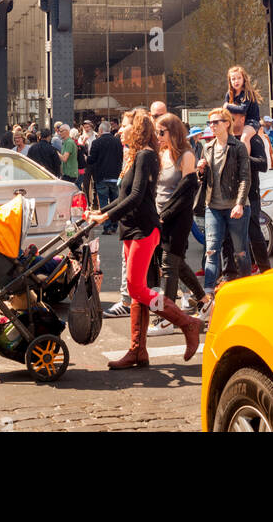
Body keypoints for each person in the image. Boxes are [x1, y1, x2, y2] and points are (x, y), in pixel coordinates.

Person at [88, 110, 201, 367]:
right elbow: (124, 196)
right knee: (136, 290)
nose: (119, 130)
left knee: (137, 288)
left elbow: (138, 196)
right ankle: (138, 350)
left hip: (144, 229)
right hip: (131, 230)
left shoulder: (146, 156)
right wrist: (102, 212)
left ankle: (188, 322)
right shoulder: (136, 156)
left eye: (125, 126)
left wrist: (107, 217)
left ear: (136, 129)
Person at [149, 114, 206, 334]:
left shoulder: (187, 155)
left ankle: (168, 318)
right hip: (160, 215)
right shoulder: (162, 154)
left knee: (169, 264)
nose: (158, 136)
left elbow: (185, 193)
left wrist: (166, 214)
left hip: (178, 218)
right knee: (177, 264)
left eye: (161, 132)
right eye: (156, 132)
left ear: (173, 132)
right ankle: (204, 301)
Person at [197, 107, 251, 316]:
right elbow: (205, 181)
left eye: (216, 122)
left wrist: (239, 203)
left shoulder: (237, 147)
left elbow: (246, 177)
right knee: (211, 250)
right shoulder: (207, 147)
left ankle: (247, 289)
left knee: (240, 252)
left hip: (235, 206)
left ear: (227, 123)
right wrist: (201, 171)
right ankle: (208, 296)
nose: (212, 126)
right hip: (213, 206)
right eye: (210, 123)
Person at [227, 104, 271, 275]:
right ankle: (238, 271)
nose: (230, 120)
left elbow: (263, 164)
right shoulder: (228, 138)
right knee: (232, 237)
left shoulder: (253, 139)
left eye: (233, 117)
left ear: (242, 118)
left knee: (253, 232)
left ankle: (265, 269)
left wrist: (243, 158)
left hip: (251, 193)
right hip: (231, 194)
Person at [87, 120, 124, 234]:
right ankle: (114, 224)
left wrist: (86, 157)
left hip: (101, 176)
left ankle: (107, 226)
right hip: (115, 176)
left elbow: (91, 160)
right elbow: (121, 158)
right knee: (114, 201)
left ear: (101, 130)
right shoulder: (117, 142)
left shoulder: (97, 142)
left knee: (103, 202)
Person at [224, 65, 261, 152]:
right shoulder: (229, 94)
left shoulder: (247, 93)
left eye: (239, 78)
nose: (236, 81)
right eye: (233, 79)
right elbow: (225, 112)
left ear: (244, 79)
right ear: (230, 81)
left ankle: (245, 161)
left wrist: (228, 106)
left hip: (251, 121)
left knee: (244, 137)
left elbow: (242, 109)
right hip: (235, 122)